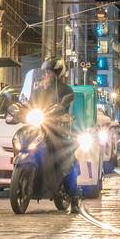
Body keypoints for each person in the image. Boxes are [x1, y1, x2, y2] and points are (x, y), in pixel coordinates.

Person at [31, 58, 81, 213]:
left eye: (49, 72)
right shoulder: (38, 89)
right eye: (45, 72)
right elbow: (30, 104)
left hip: (58, 129)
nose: (45, 75)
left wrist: (60, 107)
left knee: (65, 160)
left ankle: (74, 198)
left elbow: (66, 102)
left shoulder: (66, 90)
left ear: (57, 74)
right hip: (39, 127)